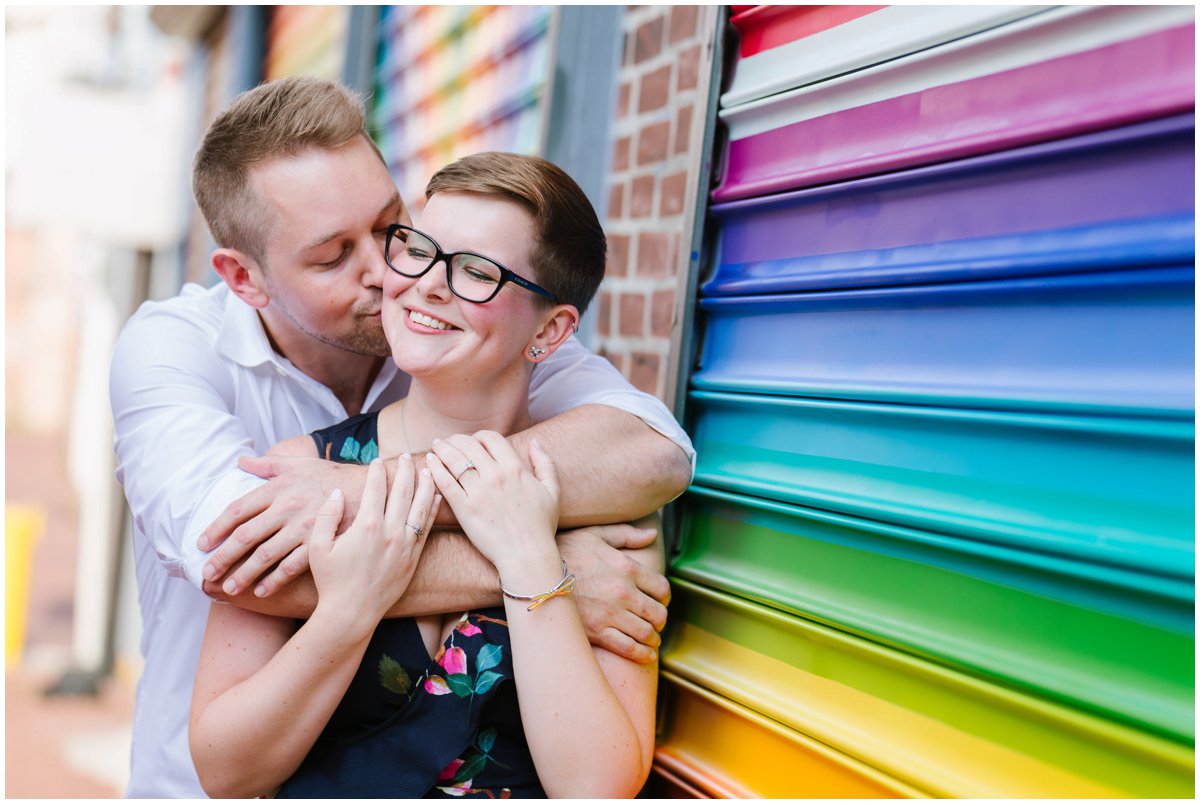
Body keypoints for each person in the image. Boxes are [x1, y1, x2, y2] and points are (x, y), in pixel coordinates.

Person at [109, 77, 693, 797]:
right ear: (244, 278)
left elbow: (655, 450)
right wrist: (544, 568)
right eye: (333, 255)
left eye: (393, 231)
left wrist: (369, 497)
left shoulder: (522, 380)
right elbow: (251, 563)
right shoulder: (182, 361)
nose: (394, 274)